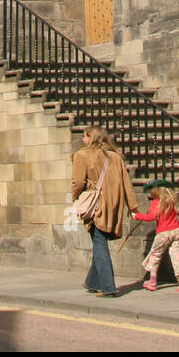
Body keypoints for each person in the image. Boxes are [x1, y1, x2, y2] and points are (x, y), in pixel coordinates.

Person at [71, 126, 139, 297]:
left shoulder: (82, 155)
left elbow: (78, 182)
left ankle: (108, 287)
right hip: (114, 203)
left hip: (97, 205)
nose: (83, 140)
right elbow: (126, 182)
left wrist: (76, 198)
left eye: (85, 136)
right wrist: (132, 206)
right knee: (99, 241)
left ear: (92, 138)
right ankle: (92, 281)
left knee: (99, 243)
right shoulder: (114, 157)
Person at [133, 179, 179, 293]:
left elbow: (151, 217)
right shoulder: (171, 200)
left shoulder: (155, 203)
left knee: (155, 255)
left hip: (163, 233)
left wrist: (136, 215)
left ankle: (152, 281)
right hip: (176, 231)